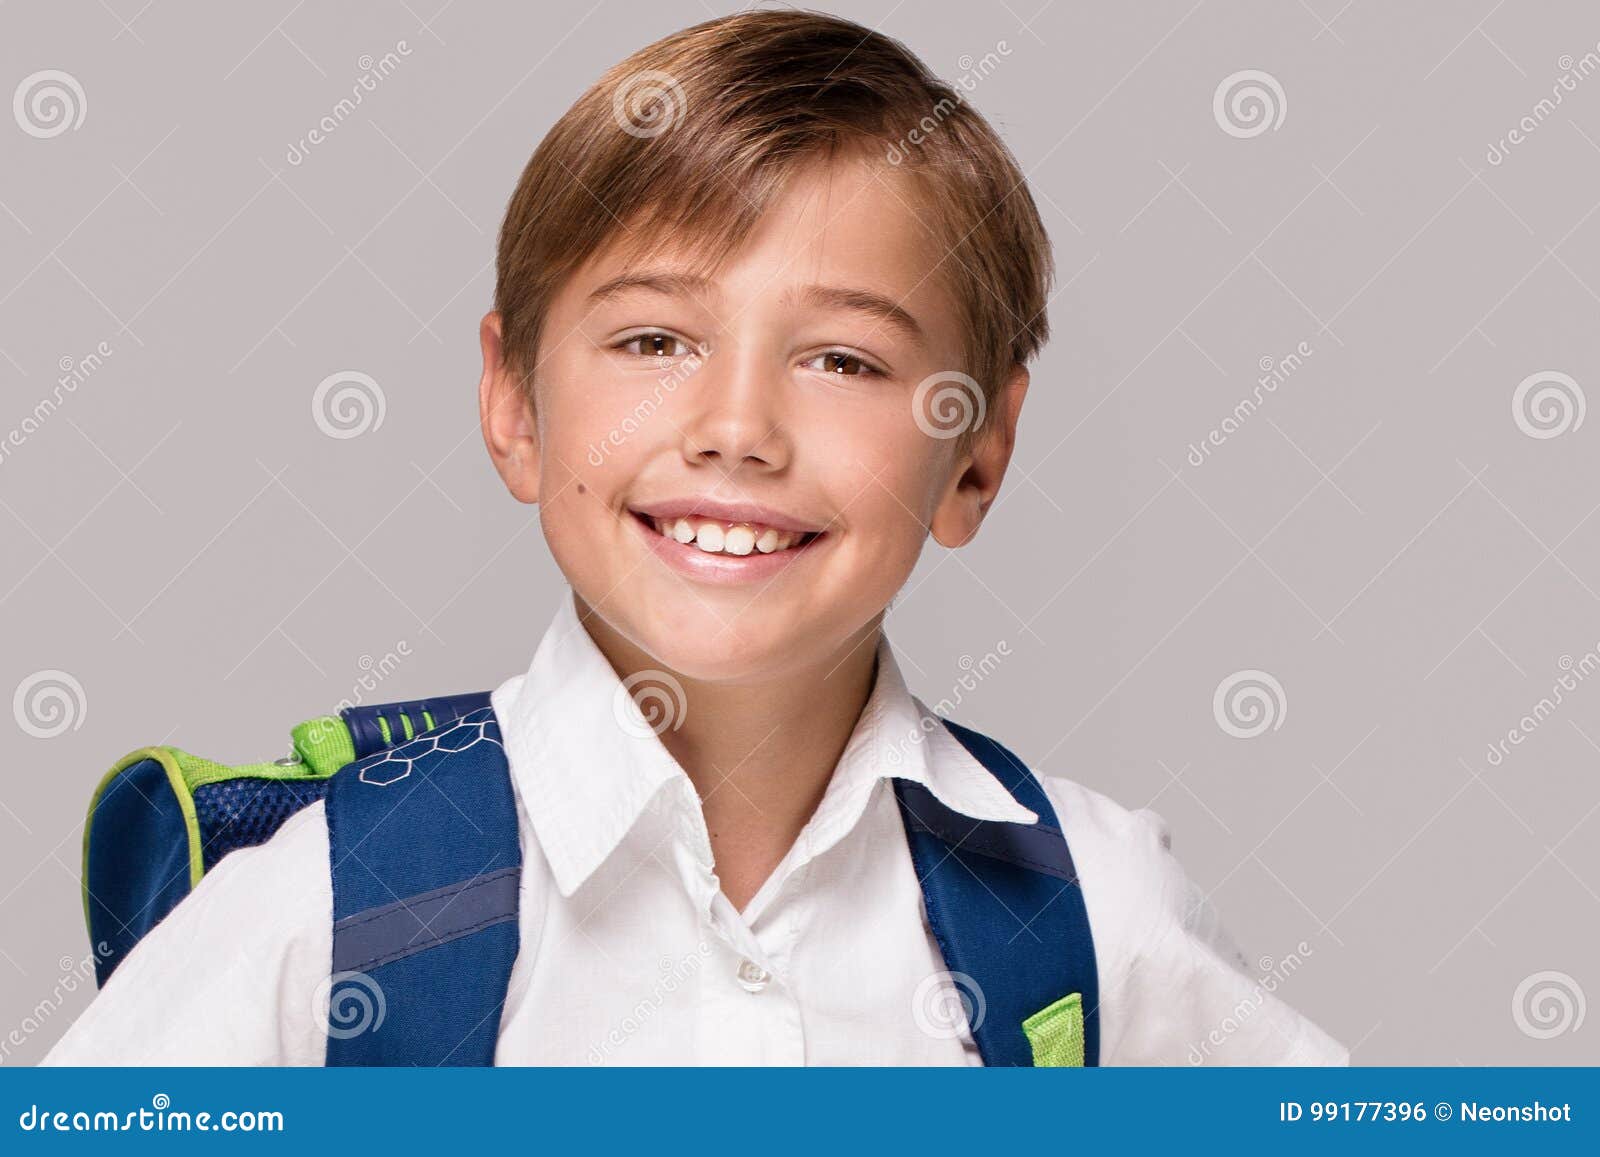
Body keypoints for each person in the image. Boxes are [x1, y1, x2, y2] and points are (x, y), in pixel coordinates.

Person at [47, 9, 1346, 1066]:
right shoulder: (335, 902)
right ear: (515, 405)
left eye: (844, 359)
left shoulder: (1086, 909)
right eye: (655, 340)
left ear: (977, 452)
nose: (738, 428)